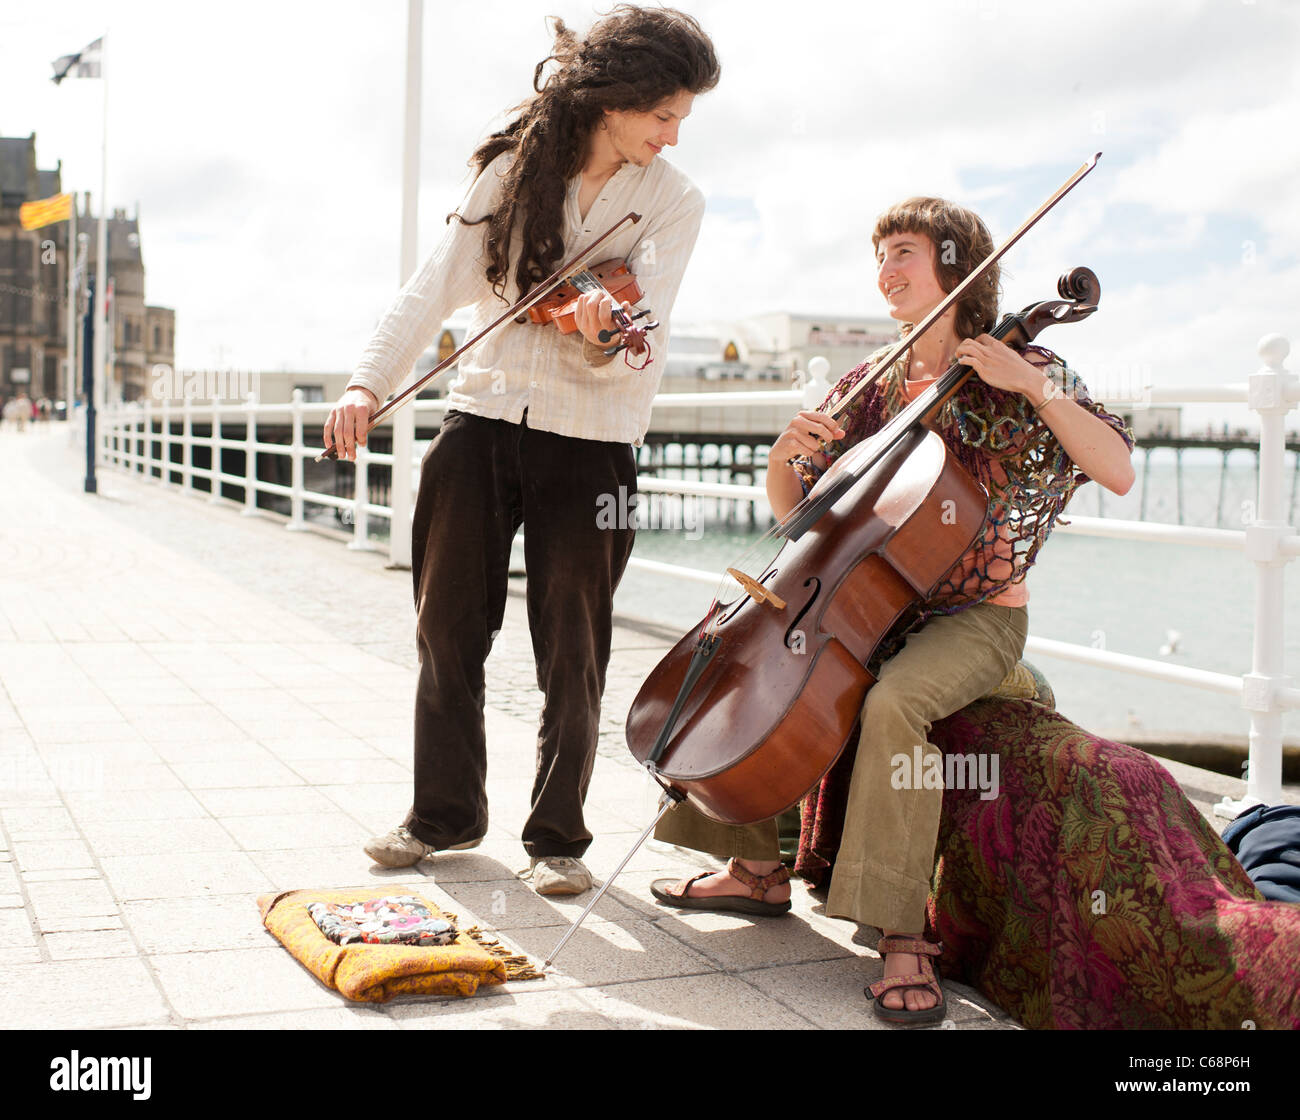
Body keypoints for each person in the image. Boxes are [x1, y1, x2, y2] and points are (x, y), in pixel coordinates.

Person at [649, 196, 1135, 1024]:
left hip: (975, 616)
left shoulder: (1028, 365)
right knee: (762, 664)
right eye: (879, 257)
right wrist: (785, 456)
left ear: (957, 263)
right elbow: (798, 519)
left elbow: (1118, 468)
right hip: (871, 606)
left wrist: (1037, 389)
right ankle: (756, 869)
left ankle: (905, 936)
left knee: (894, 702)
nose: (887, 271)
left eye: (903, 252)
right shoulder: (870, 380)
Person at [323, 6, 720, 896]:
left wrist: (598, 328)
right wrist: (366, 384)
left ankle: (558, 841)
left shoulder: (673, 201)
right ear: (614, 100)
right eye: (663, 114)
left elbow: (639, 318)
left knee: (572, 650)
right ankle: (443, 817)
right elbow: (434, 288)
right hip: (482, 420)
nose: (673, 134)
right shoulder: (512, 172)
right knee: (446, 631)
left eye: (682, 119)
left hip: (593, 442)